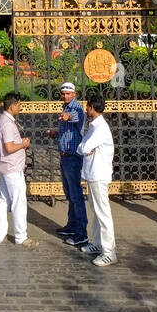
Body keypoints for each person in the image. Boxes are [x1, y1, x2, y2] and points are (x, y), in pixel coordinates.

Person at [0, 93, 38, 248]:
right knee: (19, 202)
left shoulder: (1, 120)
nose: (20, 107)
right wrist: (23, 144)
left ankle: (0, 234)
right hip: (12, 168)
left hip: (6, 167)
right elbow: (9, 147)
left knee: (4, 199)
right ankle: (20, 236)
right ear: (12, 106)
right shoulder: (7, 123)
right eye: (19, 104)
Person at [46, 82, 88, 247]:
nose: (65, 96)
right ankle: (72, 226)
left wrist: (68, 117)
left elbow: (78, 118)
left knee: (76, 196)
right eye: (63, 94)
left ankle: (81, 232)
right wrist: (56, 133)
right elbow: (69, 132)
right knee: (70, 194)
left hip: (73, 157)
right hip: (65, 156)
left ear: (74, 93)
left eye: (68, 94)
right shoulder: (65, 108)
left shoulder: (76, 108)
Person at [77, 95, 117, 267]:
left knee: (103, 213)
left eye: (87, 106)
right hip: (93, 173)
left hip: (99, 174)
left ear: (92, 107)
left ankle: (109, 252)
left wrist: (85, 148)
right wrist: (85, 148)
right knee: (96, 211)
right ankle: (98, 243)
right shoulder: (94, 126)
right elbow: (83, 146)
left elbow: (84, 147)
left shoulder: (100, 128)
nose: (86, 109)